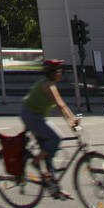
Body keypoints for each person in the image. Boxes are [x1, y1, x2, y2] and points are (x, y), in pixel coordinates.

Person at [20, 58, 77, 199]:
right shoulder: (47, 85)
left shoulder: (50, 84)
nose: (60, 73)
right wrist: (71, 122)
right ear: (51, 73)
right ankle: (35, 161)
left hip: (37, 116)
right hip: (31, 115)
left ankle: (54, 188)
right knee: (56, 138)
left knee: (49, 153)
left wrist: (73, 119)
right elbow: (60, 105)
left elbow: (62, 104)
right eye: (57, 71)